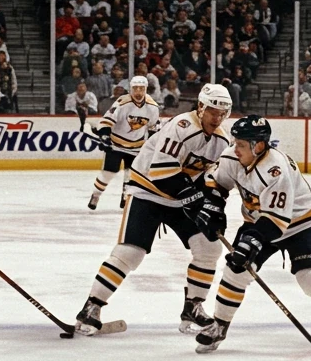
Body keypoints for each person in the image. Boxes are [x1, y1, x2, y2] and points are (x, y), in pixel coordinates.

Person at [193, 115, 311, 355]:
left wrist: (250, 243)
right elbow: (217, 183)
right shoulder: (231, 157)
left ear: (259, 146)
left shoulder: (276, 170)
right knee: (236, 271)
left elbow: (276, 221)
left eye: (241, 144)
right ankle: (219, 326)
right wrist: (212, 205)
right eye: (235, 142)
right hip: (257, 219)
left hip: (299, 222)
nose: (235, 149)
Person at [73, 84, 233, 337]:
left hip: (178, 199)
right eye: (213, 111)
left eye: (223, 113)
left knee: (209, 247)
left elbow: (209, 177)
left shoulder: (222, 139)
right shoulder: (182, 126)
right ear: (201, 107)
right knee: (130, 252)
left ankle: (193, 306)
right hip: (148, 192)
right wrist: (193, 196)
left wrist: (213, 204)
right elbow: (161, 171)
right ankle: (92, 307)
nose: (218, 118)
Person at [89, 75, 159, 211]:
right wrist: (104, 136)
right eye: (135, 88)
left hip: (136, 146)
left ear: (146, 89)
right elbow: (107, 120)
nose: (138, 92)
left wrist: (152, 145)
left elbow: (153, 128)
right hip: (116, 144)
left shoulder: (153, 107)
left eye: (141, 89)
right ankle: (96, 195)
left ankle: (126, 196)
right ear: (130, 90)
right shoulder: (122, 103)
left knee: (132, 174)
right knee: (109, 172)